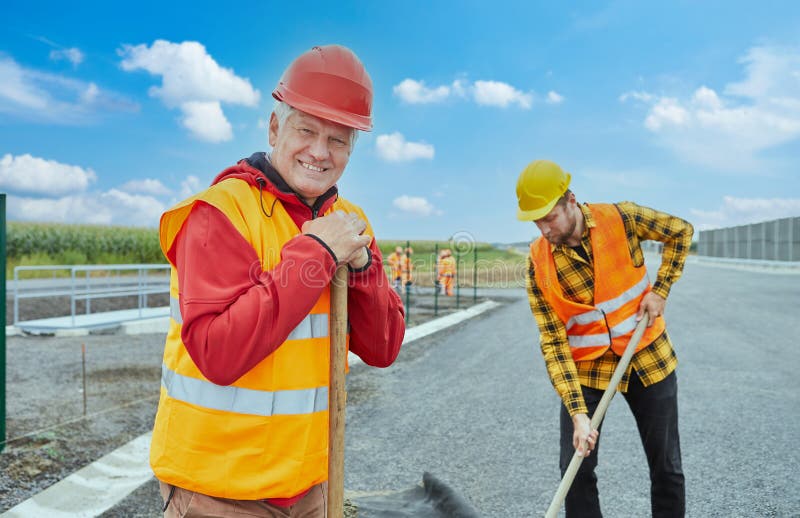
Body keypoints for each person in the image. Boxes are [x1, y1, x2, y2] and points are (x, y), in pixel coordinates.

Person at [150, 45, 406, 517]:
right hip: (218, 495)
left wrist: (363, 268)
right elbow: (218, 353)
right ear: (274, 128)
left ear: (352, 148)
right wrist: (318, 253)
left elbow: (383, 347)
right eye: (306, 130)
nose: (319, 152)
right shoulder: (220, 214)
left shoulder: (350, 221)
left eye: (339, 139)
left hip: (310, 489)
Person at [516, 160, 693, 517]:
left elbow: (681, 230)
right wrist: (578, 413)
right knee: (575, 469)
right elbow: (553, 342)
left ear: (571, 200)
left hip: (646, 354)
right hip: (589, 370)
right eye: (536, 221)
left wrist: (661, 289)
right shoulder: (538, 263)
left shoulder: (621, 218)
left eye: (549, 217)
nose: (544, 229)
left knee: (666, 468)